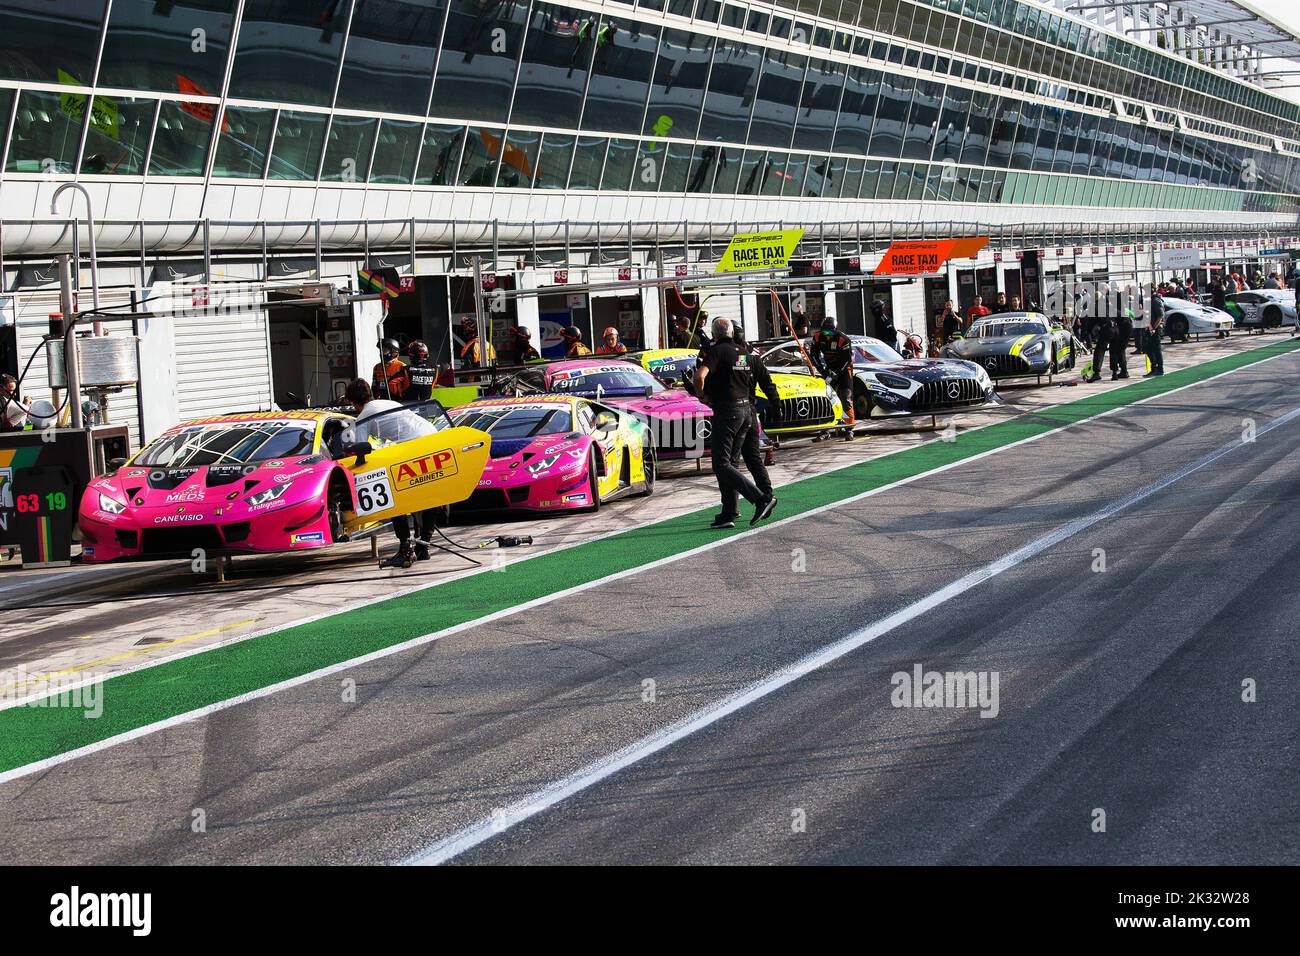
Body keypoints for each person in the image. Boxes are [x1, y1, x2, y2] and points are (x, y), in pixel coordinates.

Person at [343, 379, 438, 568]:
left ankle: (405, 549)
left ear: (354, 402)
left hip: (413, 446)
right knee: (430, 497)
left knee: (393, 496)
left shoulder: (363, 416)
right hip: (434, 438)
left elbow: (362, 449)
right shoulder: (388, 402)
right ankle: (423, 546)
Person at [694, 317, 779, 529]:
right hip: (746, 411)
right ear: (734, 333)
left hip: (728, 411)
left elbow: (699, 376)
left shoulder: (715, 351)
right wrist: (775, 404)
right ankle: (731, 510)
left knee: (721, 464)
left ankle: (761, 499)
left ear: (714, 334)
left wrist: (701, 395)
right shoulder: (746, 353)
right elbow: (767, 382)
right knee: (735, 462)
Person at [810, 316, 855, 425]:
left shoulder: (843, 339)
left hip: (844, 369)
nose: (827, 335)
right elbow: (813, 355)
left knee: (846, 398)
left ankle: (849, 426)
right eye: (825, 332)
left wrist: (837, 373)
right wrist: (822, 370)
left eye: (830, 332)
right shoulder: (817, 337)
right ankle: (828, 424)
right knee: (828, 398)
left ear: (835, 330)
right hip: (829, 368)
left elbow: (847, 360)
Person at [1087, 313, 1114, 383]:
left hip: (1106, 329)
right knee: (1115, 351)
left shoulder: (1097, 306)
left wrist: (1089, 331)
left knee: (1099, 351)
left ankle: (1096, 373)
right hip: (1115, 328)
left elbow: (1092, 321)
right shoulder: (1110, 305)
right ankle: (1117, 372)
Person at [1145, 292, 1165, 377]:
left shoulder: (1156, 301)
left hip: (1155, 329)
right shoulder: (1150, 301)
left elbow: (1160, 315)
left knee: (1157, 349)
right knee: (1148, 348)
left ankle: (1160, 369)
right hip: (1150, 327)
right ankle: (1154, 367)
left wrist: (1154, 328)